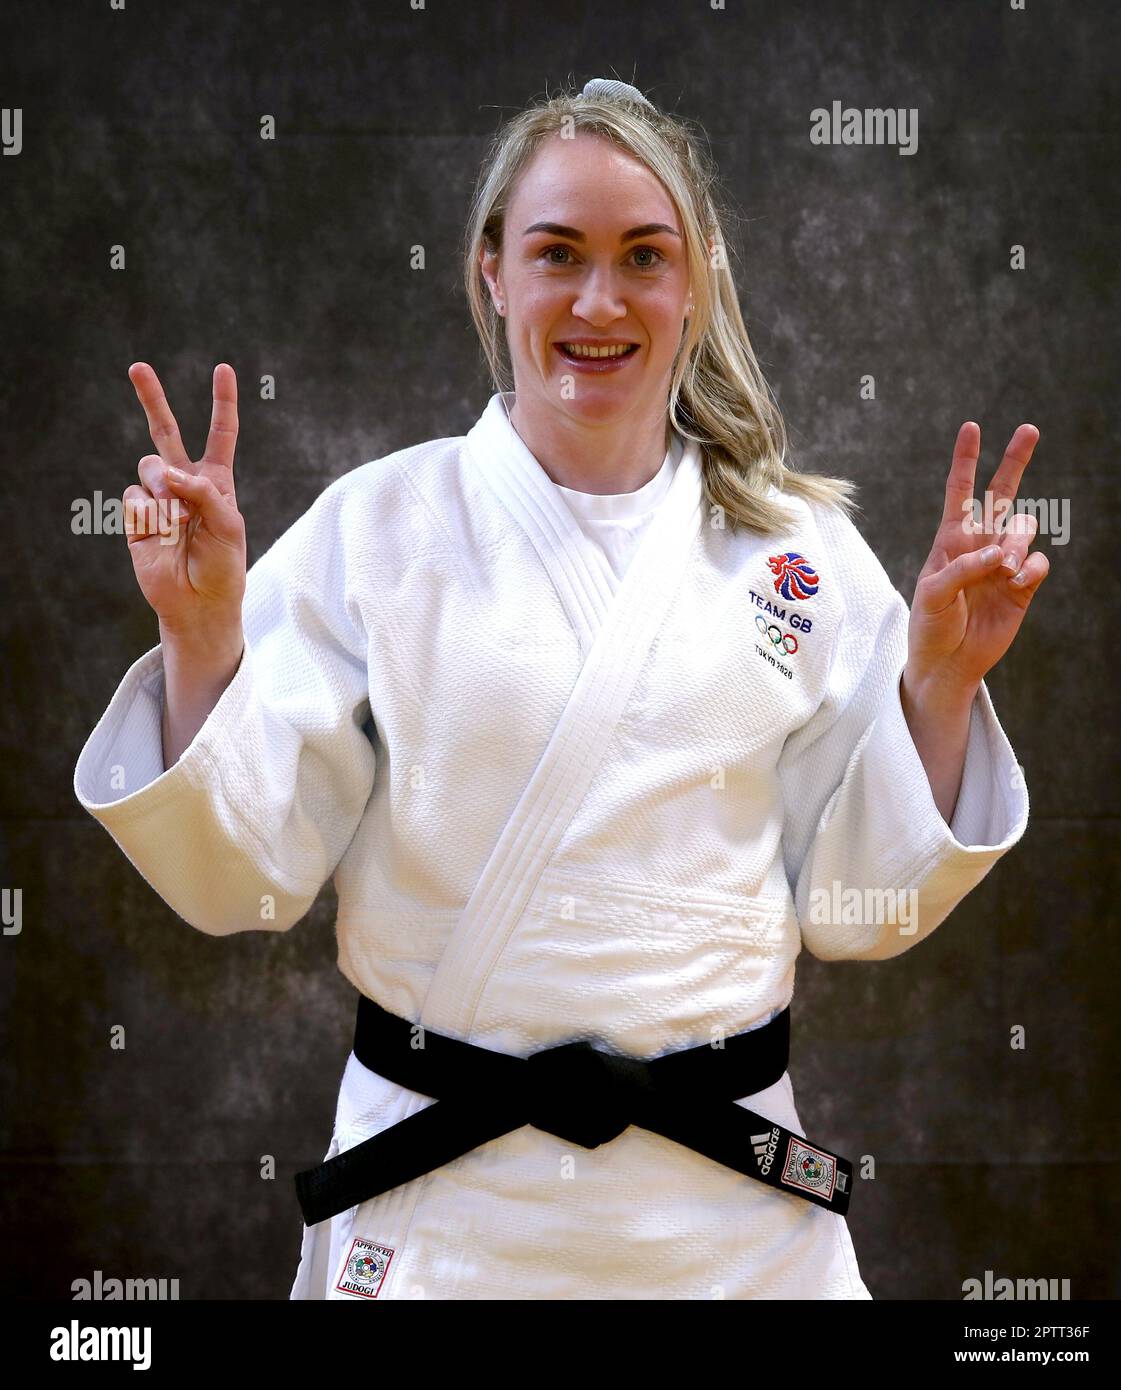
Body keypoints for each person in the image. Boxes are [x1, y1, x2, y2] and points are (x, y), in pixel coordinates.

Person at [73, 76, 1048, 1300]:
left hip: (728, 1226)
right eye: (556, 254)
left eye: (644, 255)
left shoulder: (795, 557)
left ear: (695, 280)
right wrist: (203, 635)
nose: (599, 299)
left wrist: (941, 686)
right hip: (445, 1215)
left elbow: (859, 907)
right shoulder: (380, 527)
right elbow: (244, 875)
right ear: (492, 270)